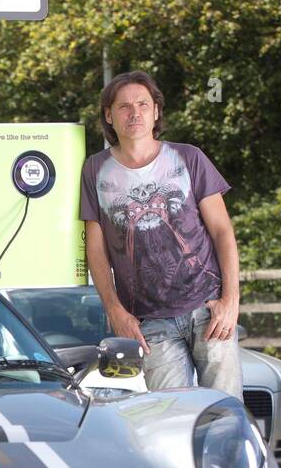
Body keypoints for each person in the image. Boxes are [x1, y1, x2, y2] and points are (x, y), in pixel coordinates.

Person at [79, 70, 243, 397]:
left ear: (156, 111)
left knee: (225, 414)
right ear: (109, 116)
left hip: (208, 306)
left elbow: (223, 231)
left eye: (143, 104)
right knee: (171, 421)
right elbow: (95, 251)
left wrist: (231, 300)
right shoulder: (95, 170)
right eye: (124, 106)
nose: (134, 113)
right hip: (150, 322)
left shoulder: (189, 158)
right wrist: (115, 311)